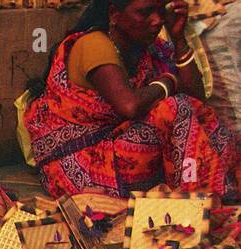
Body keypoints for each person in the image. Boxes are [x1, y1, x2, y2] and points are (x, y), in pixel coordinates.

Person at [24, 0, 241, 199]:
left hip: (116, 151)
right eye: (145, 12)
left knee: (195, 112)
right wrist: (168, 82)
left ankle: (214, 193)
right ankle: (198, 202)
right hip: (80, 168)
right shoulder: (93, 44)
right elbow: (130, 106)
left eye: (160, 11)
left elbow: (197, 98)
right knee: (175, 108)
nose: (157, 21)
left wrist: (178, 38)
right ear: (114, 14)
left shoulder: (147, 48)